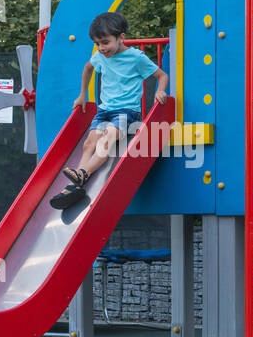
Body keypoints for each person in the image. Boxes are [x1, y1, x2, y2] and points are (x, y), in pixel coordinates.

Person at [50, 11, 169, 209]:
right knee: (89, 143)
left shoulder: (136, 58)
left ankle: (82, 174)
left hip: (127, 112)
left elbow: (162, 75)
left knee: (107, 139)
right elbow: (88, 68)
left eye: (105, 42)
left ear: (121, 37)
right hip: (104, 110)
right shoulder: (100, 56)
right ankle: (76, 185)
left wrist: (161, 91)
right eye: (97, 44)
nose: (101, 48)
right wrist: (82, 96)